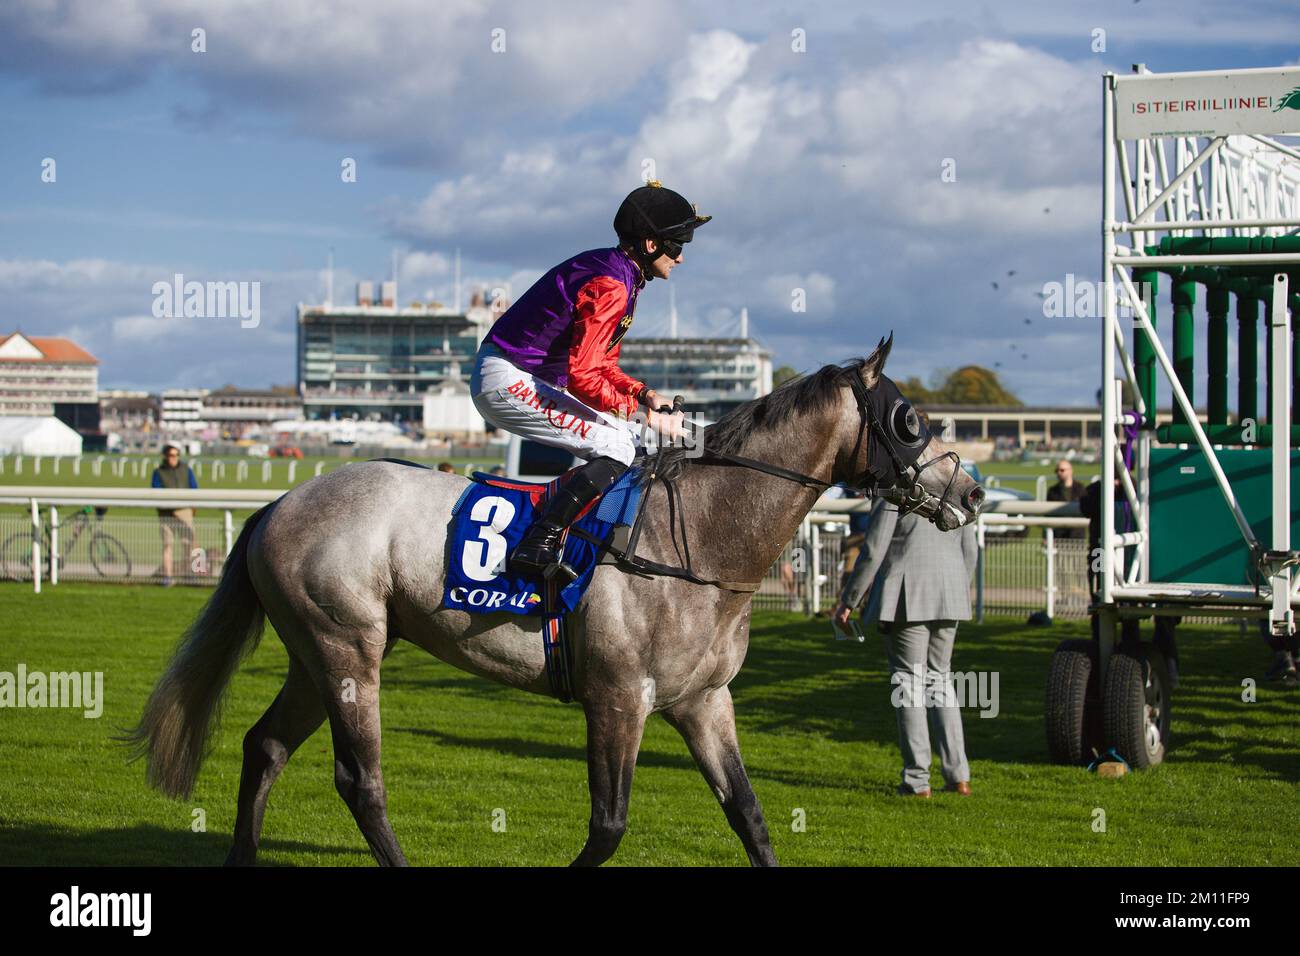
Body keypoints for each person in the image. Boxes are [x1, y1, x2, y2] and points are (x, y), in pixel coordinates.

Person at [469, 181, 707, 581]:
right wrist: (644, 415)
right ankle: (537, 543)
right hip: (508, 378)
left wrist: (645, 395)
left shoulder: (622, 275)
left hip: (527, 376)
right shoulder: (611, 284)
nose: (681, 258)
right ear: (651, 245)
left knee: (631, 443)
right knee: (617, 444)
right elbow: (582, 376)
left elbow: (601, 366)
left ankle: (597, 540)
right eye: (678, 245)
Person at [832, 500, 979, 798]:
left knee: (909, 684)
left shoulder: (894, 490)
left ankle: (916, 780)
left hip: (906, 593)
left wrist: (849, 599)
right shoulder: (954, 485)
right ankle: (958, 776)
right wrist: (959, 586)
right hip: (950, 592)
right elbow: (971, 550)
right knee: (941, 680)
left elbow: (873, 549)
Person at [150, 444, 197, 587]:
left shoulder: (186, 470)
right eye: (171, 455)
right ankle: (167, 577)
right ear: (165, 456)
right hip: (166, 512)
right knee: (167, 546)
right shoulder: (158, 472)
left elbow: (194, 488)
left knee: (191, 544)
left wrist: (192, 507)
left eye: (176, 455)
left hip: (184, 510)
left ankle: (194, 575)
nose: (173, 458)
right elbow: (155, 490)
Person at [1046, 460, 1086, 539]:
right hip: (1059, 536)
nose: (1059, 473)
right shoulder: (1052, 491)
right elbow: (1048, 515)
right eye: (1057, 471)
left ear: (1070, 471)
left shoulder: (1080, 489)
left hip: (1077, 535)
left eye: (1062, 470)